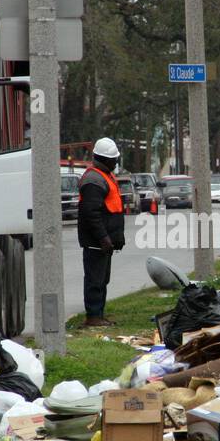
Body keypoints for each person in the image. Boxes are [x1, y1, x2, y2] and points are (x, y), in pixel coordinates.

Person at [77, 137, 125, 327]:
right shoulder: (93, 180)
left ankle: (99, 314)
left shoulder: (104, 176)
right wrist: (104, 238)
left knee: (102, 279)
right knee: (95, 280)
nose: (116, 162)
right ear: (103, 159)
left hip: (103, 242)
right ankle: (93, 316)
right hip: (96, 242)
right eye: (113, 159)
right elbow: (91, 214)